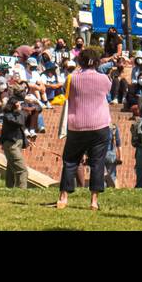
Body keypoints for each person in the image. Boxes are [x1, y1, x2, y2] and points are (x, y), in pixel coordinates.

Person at [53, 47, 113, 210]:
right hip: (100, 125)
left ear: (80, 61)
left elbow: (67, 92)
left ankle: (63, 198)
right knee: (97, 162)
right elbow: (108, 90)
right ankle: (93, 201)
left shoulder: (71, 78)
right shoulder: (104, 79)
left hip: (77, 125)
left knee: (70, 161)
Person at [0, 85, 31, 188]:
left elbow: (37, 109)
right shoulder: (8, 116)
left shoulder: (17, 113)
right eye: (18, 104)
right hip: (11, 144)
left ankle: (9, 189)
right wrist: (20, 110)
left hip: (18, 142)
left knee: (11, 168)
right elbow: (20, 121)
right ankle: (22, 193)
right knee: (22, 170)